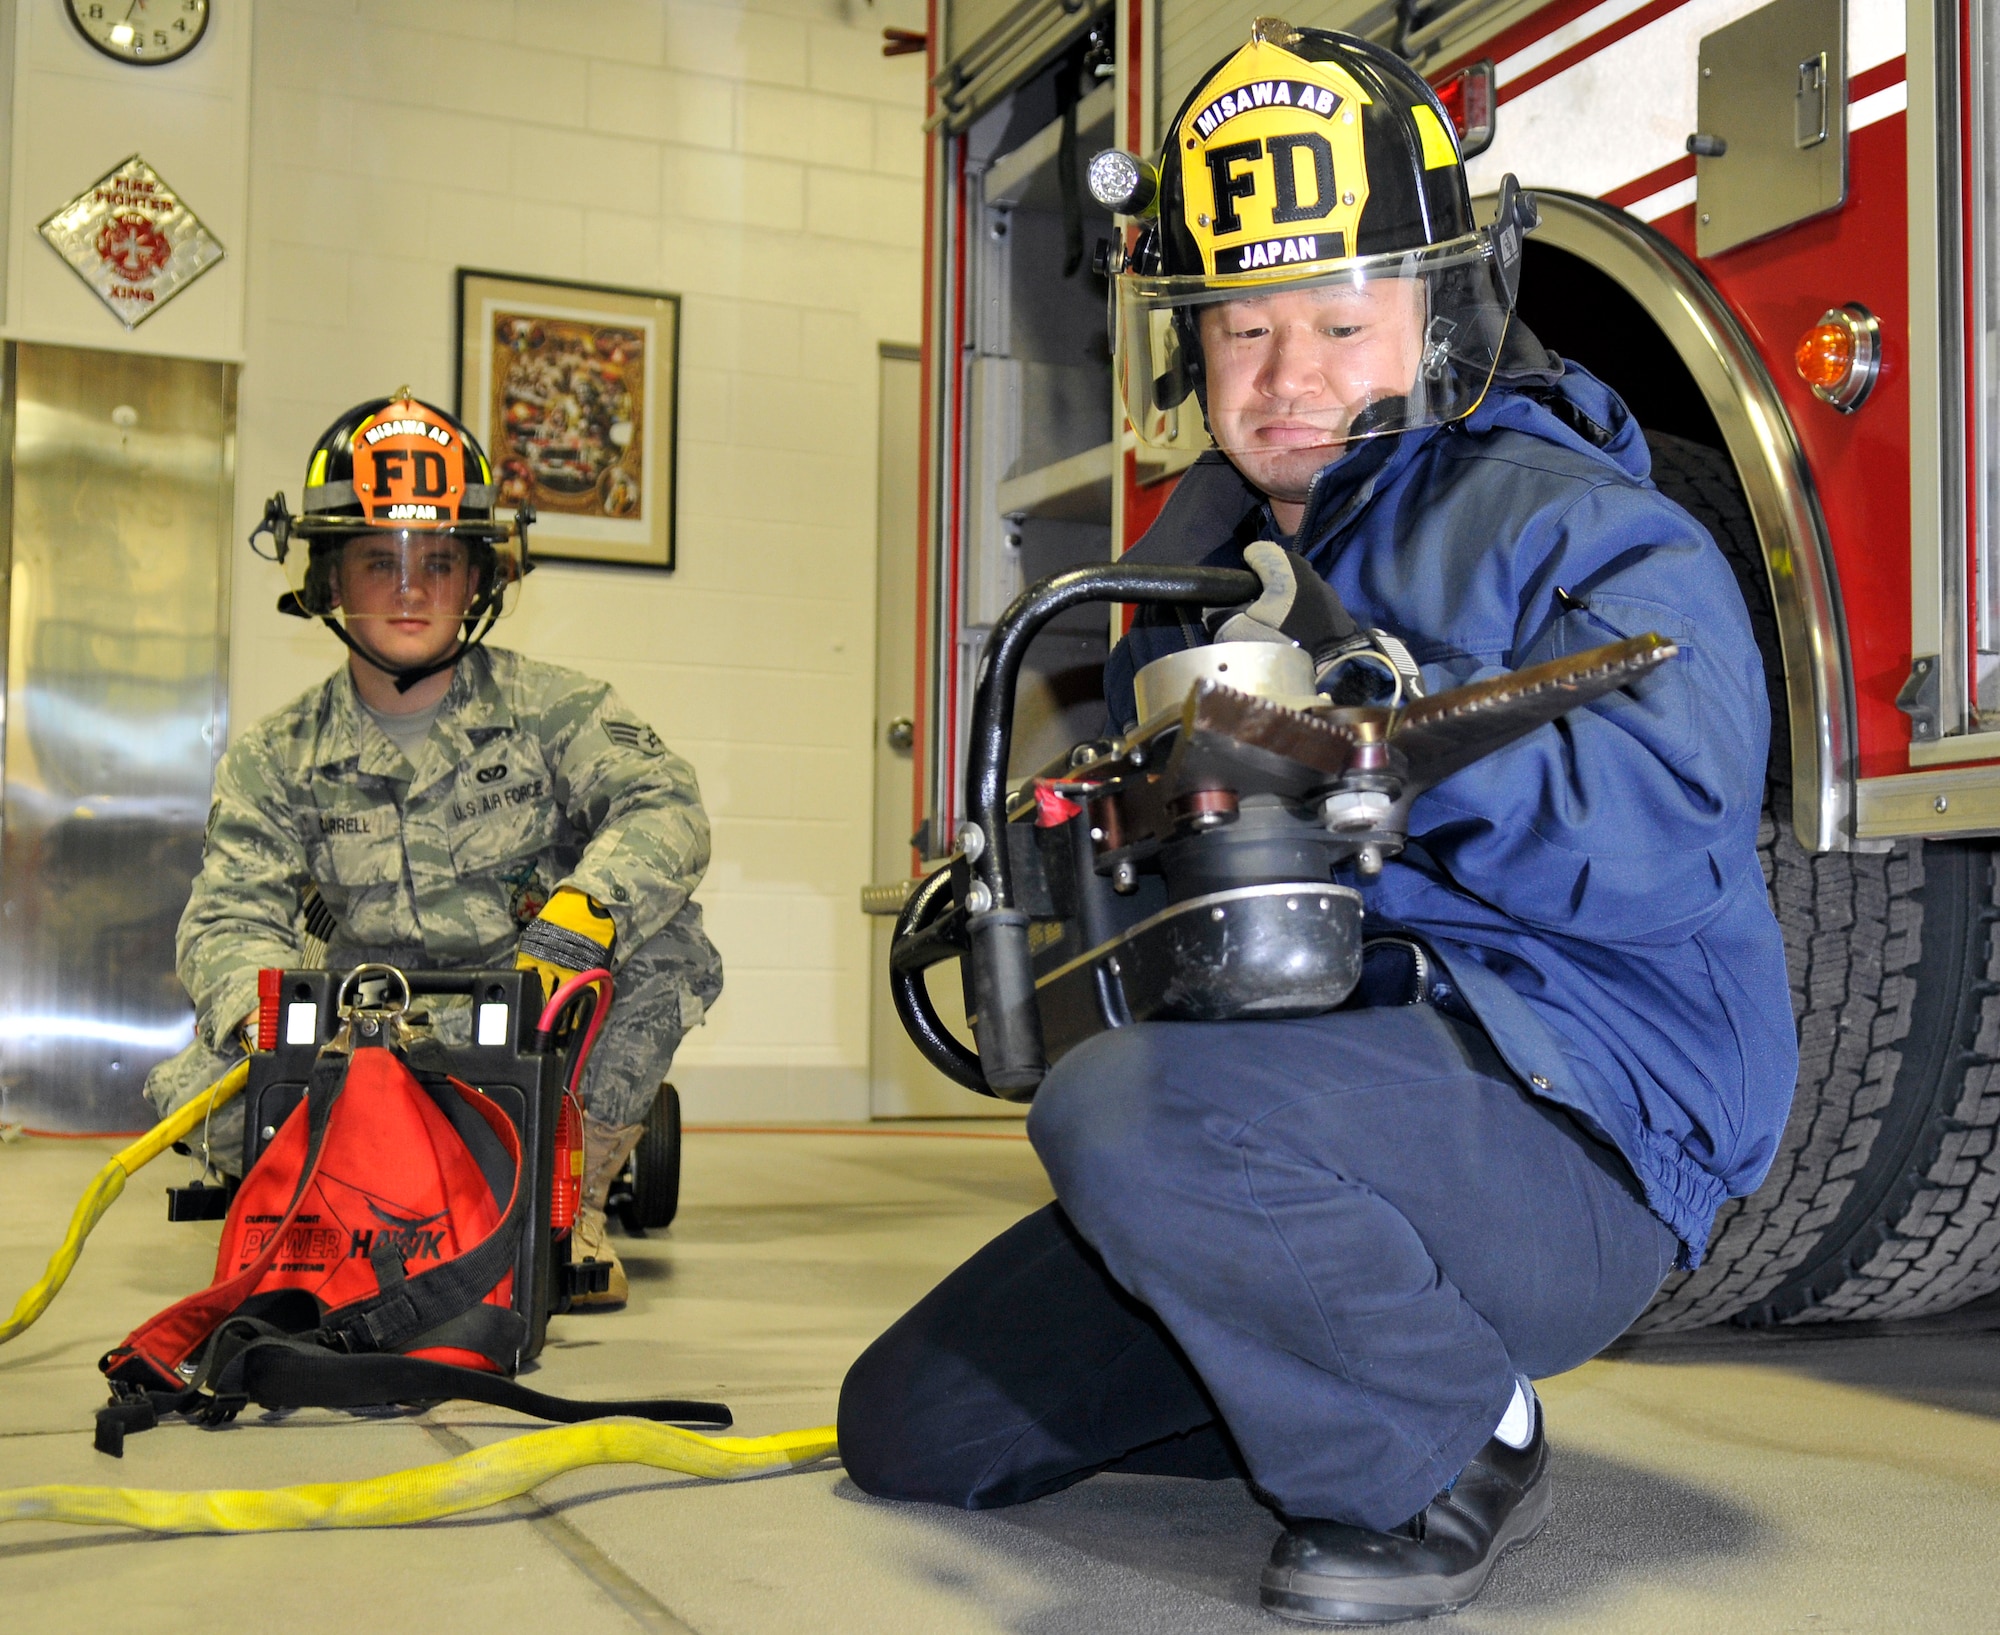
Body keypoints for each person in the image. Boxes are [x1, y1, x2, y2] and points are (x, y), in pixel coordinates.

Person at [838, 21, 1795, 1624]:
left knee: (1132, 1115)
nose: (1286, 382)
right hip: (1328, 1096)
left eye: (1341, 321)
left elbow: (1669, 822)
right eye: (1244, 331)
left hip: (1586, 1129)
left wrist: (1396, 743)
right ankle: (1330, 1347)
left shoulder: (1588, 533)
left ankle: (1450, 1441)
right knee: (917, 1426)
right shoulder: (1185, 582)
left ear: (1440, 315)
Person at [144, 393, 722, 1309]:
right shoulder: (273, 753)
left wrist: (586, 911)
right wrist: (274, 1027)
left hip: (533, 1029)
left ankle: (572, 1197)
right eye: (381, 560)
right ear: (331, 580)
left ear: (477, 581)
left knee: (667, 944)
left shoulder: (557, 710)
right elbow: (226, 915)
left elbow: (667, 806)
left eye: (438, 561)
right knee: (195, 1087)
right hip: (356, 1036)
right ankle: (376, 1193)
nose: (411, 588)